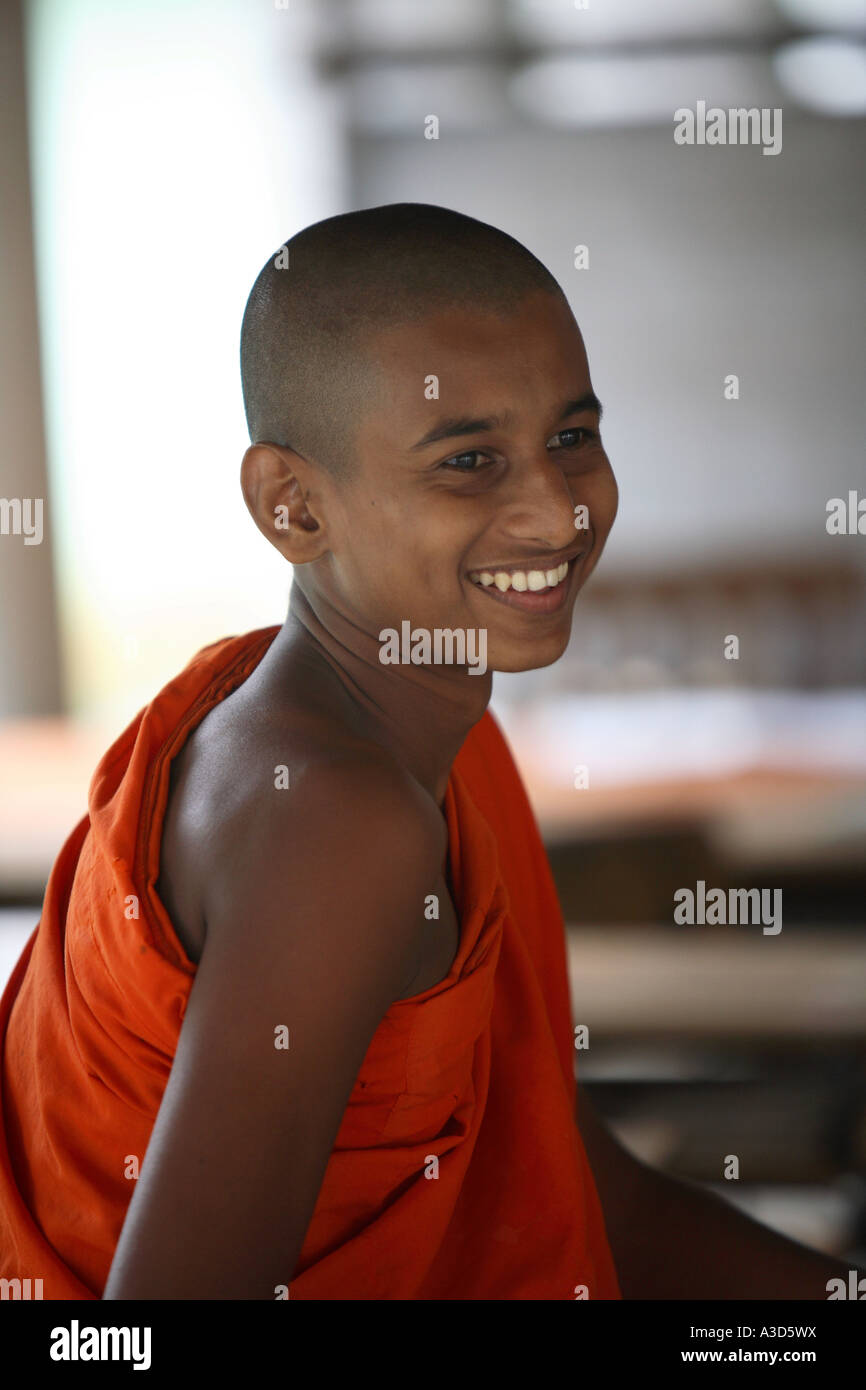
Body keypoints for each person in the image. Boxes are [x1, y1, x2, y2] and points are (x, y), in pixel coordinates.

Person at [0, 204, 856, 1300]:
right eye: (467, 461)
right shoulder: (335, 819)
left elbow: (595, 1205)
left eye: (569, 437)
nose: (552, 509)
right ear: (293, 506)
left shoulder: (446, 755)